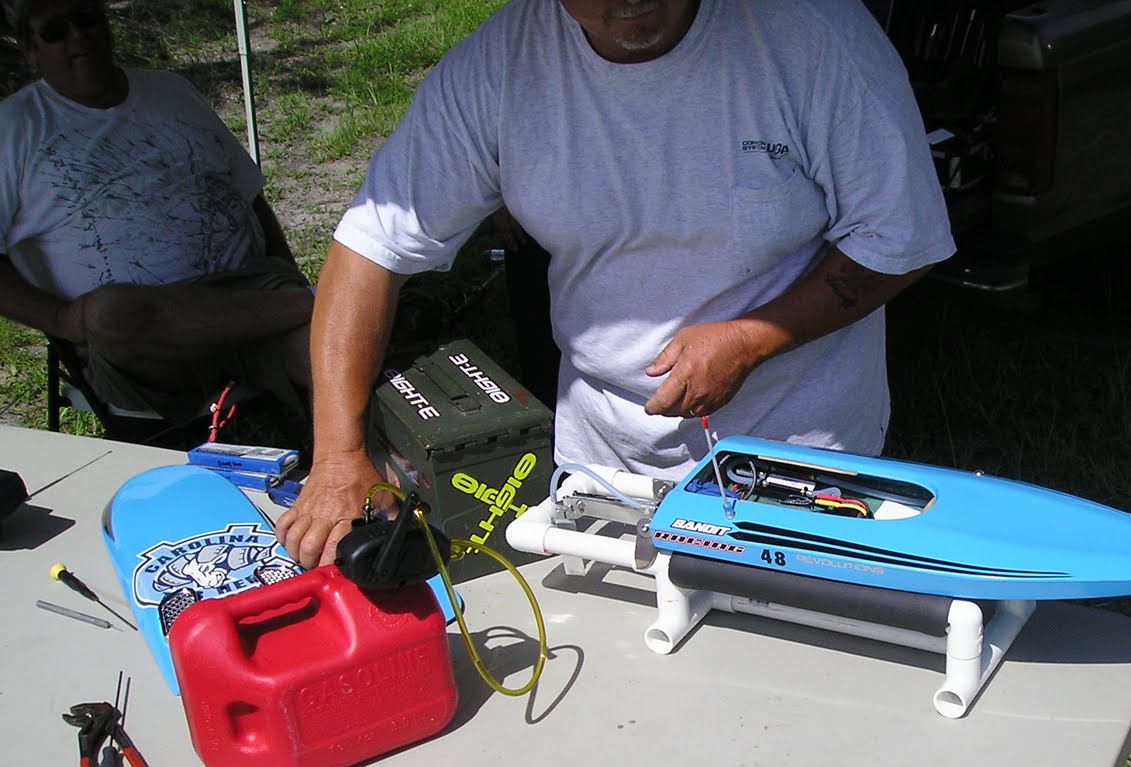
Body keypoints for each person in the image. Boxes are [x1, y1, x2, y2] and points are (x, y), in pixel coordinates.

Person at [277, 0, 954, 568]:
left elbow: (902, 236)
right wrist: (338, 457)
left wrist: (751, 339)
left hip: (799, 460)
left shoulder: (814, 35)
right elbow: (368, 248)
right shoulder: (501, 66)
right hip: (599, 466)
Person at [0, 0, 313, 436]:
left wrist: (288, 273)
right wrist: (58, 320)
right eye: (55, 30)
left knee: (344, 358)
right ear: (30, 49)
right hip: (153, 349)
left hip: (253, 301)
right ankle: (316, 303)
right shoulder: (13, 128)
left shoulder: (171, 90)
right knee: (110, 314)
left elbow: (249, 197)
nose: (77, 36)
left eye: (87, 19)